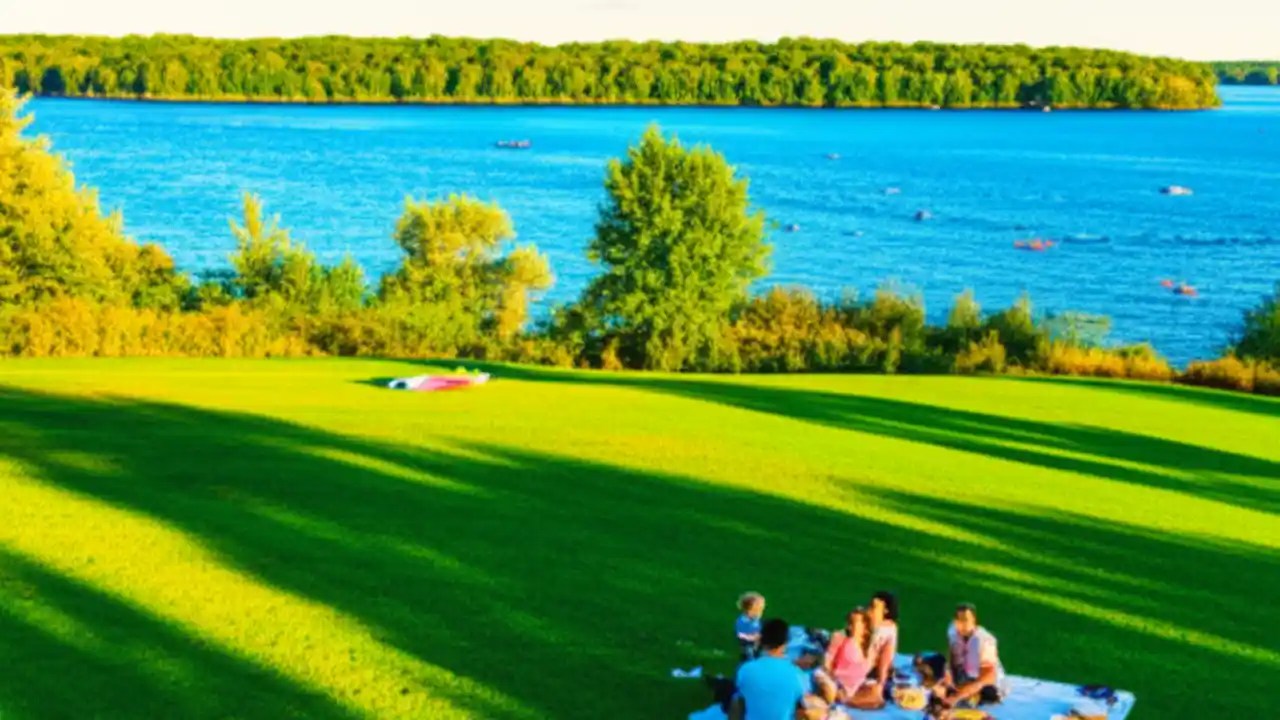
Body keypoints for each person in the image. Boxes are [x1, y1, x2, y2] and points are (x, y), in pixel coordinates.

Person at [730, 618, 821, 720]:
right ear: (785, 643)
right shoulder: (799, 675)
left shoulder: (745, 670)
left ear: (761, 640)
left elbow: (738, 705)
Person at [938, 603, 1006, 708]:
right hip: (965, 673)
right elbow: (951, 651)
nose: (962, 624)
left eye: (966, 620)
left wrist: (959, 696)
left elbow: (988, 676)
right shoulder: (953, 631)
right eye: (959, 620)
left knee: (982, 696)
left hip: (984, 682)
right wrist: (947, 673)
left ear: (974, 620)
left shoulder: (985, 641)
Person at [814, 608, 882, 708]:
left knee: (877, 693)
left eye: (854, 622)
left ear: (865, 625)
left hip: (856, 686)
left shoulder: (869, 646)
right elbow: (827, 661)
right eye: (849, 622)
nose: (850, 626)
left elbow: (870, 670)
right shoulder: (840, 637)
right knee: (828, 691)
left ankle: (848, 700)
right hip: (836, 682)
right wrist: (834, 680)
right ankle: (848, 700)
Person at [864, 590, 899, 705]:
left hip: (867, 670)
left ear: (886, 610)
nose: (869, 610)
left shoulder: (886, 629)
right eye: (870, 606)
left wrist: (881, 683)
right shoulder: (866, 622)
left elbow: (885, 658)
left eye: (874, 607)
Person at [736, 592, 766, 662]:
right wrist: (754, 637)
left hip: (758, 645)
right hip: (749, 647)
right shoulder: (742, 621)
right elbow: (741, 635)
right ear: (750, 609)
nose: (761, 611)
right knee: (751, 659)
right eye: (759, 609)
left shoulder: (756, 619)